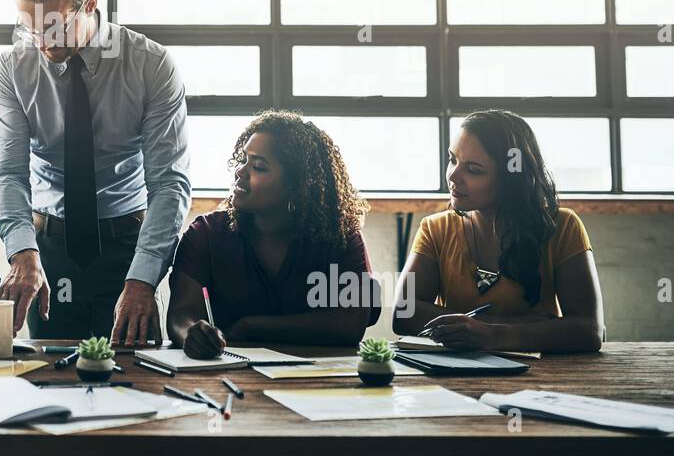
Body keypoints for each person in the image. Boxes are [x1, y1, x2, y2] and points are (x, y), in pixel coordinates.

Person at [0, 0, 192, 345]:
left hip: (127, 250)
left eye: (55, 28)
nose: (43, 44)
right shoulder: (13, 68)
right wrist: (21, 253)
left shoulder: (150, 65)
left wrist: (143, 279)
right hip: (49, 249)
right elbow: (9, 174)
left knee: (135, 380)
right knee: (47, 379)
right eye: (30, 29)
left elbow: (169, 183)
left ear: (91, 5)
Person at [168, 111, 379, 355]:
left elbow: (350, 324)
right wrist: (192, 334)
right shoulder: (205, 233)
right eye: (243, 160)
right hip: (229, 377)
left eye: (258, 166)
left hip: (313, 379)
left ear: (298, 184)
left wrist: (251, 326)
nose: (240, 172)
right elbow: (181, 315)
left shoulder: (339, 237)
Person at [393, 109, 605, 353]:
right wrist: (516, 327)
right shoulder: (436, 229)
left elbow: (588, 331)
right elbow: (403, 313)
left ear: (511, 177)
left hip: (541, 378)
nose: (453, 175)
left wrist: (490, 335)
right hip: (457, 374)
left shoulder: (563, 227)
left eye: (473, 170)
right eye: (453, 160)